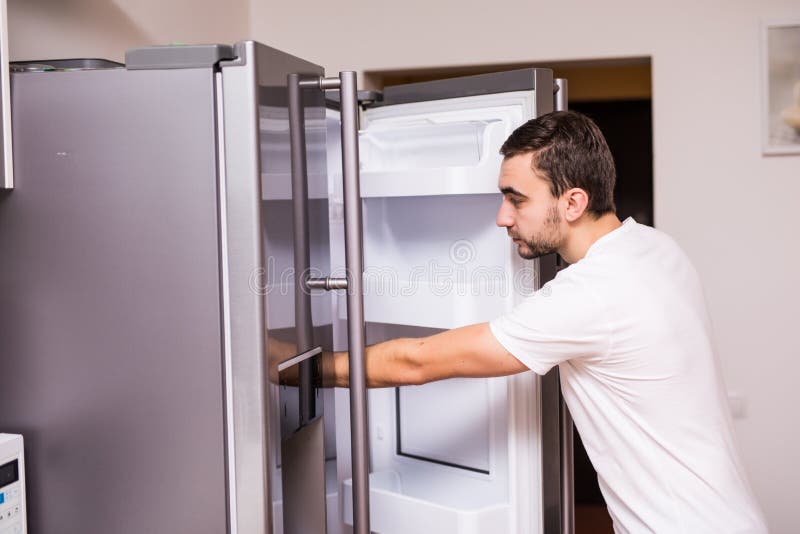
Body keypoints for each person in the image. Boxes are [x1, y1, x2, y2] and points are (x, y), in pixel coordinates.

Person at [276, 111, 767, 533]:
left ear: (572, 202)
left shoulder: (592, 293)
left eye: (517, 199)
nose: (501, 218)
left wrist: (294, 369)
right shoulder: (655, 247)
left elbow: (417, 362)